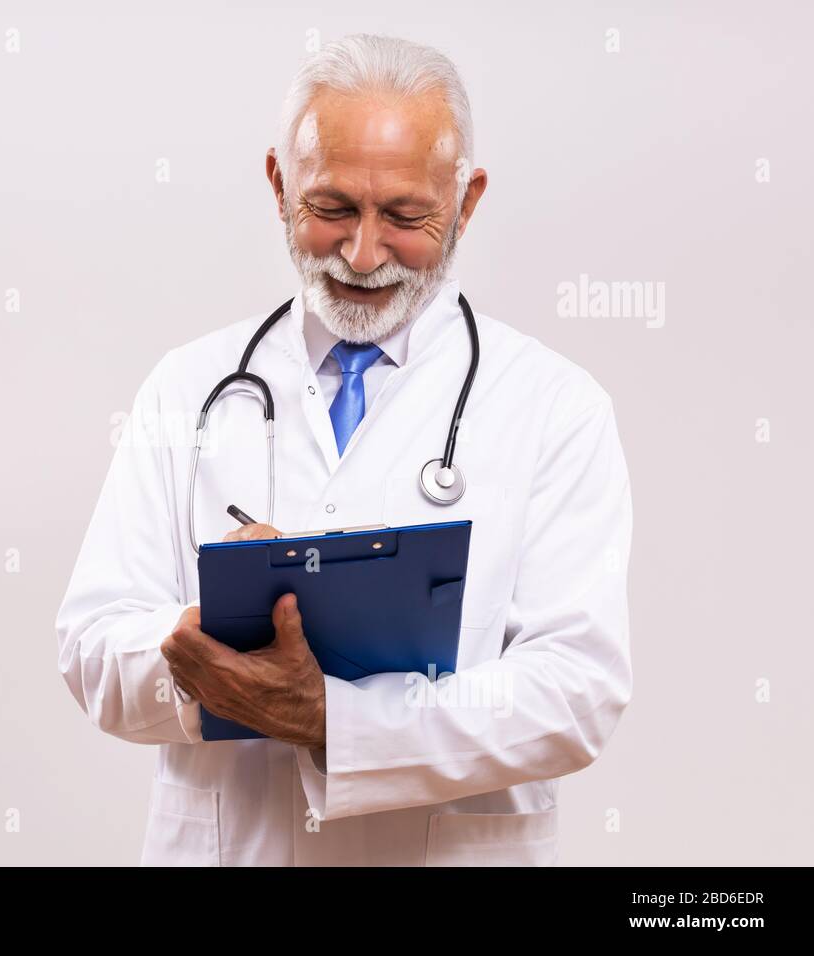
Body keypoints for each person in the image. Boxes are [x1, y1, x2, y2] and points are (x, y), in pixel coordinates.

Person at [55, 33, 632, 866]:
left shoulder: (558, 407)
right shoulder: (187, 388)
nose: (363, 255)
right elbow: (90, 645)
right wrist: (200, 647)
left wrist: (335, 721)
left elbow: (577, 693)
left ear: (465, 203)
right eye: (330, 209)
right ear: (278, 183)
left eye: (405, 216)